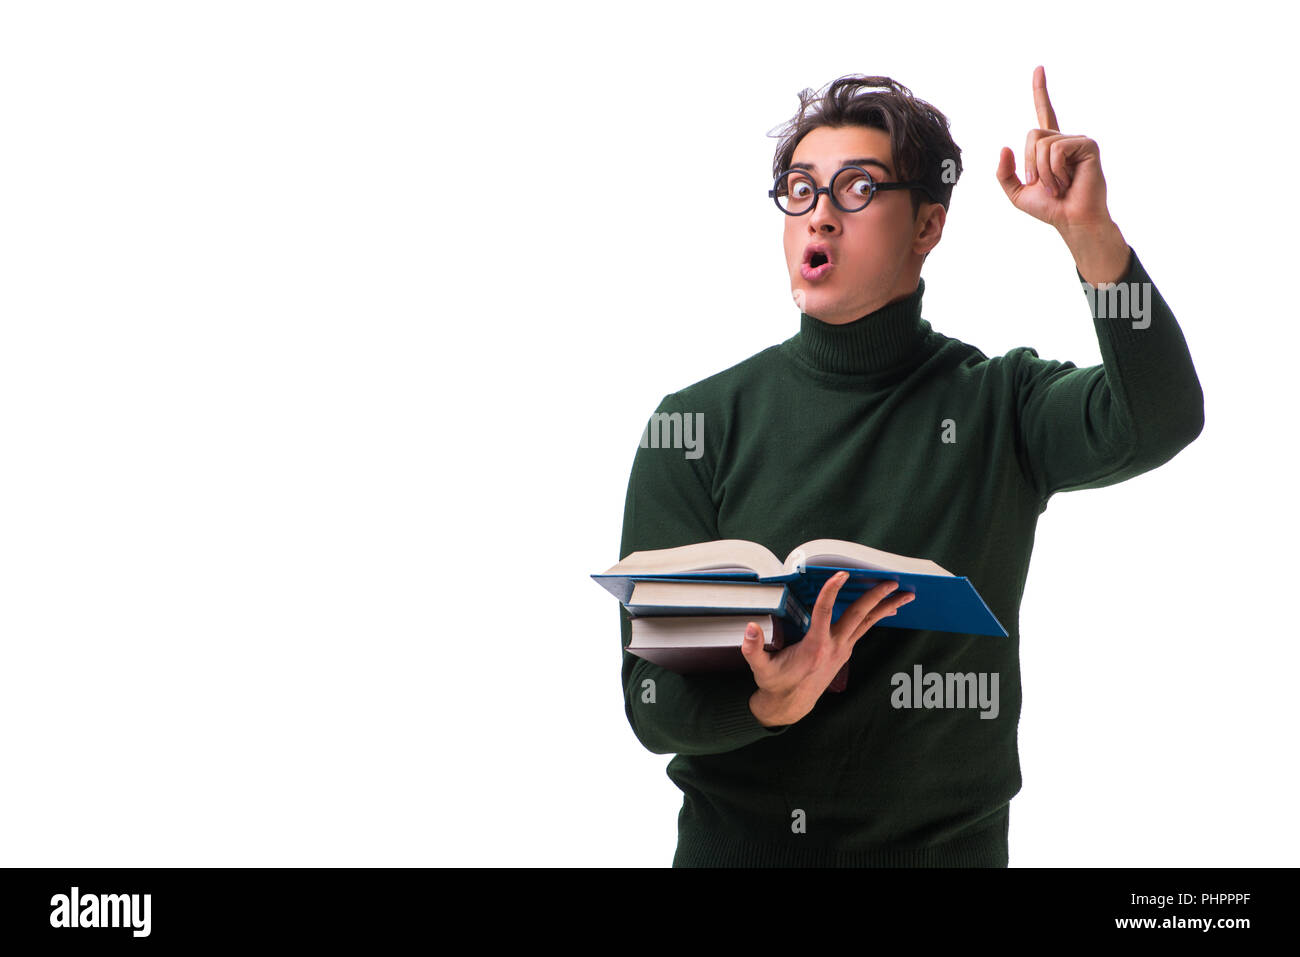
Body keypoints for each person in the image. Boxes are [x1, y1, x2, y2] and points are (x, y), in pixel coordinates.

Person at [616, 67, 1204, 867]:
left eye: (857, 188)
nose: (820, 213)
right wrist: (770, 701)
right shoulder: (696, 425)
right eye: (799, 189)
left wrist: (1091, 237)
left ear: (928, 226)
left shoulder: (1003, 404)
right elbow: (655, 704)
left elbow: (1161, 416)